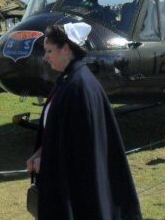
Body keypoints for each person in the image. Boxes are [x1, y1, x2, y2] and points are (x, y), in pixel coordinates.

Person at [26, 23, 141, 220]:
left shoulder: (80, 86)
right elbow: (58, 129)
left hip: (77, 185)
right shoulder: (68, 79)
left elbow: (81, 145)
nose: (46, 57)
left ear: (66, 49)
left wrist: (48, 160)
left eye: (49, 51)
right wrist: (40, 151)